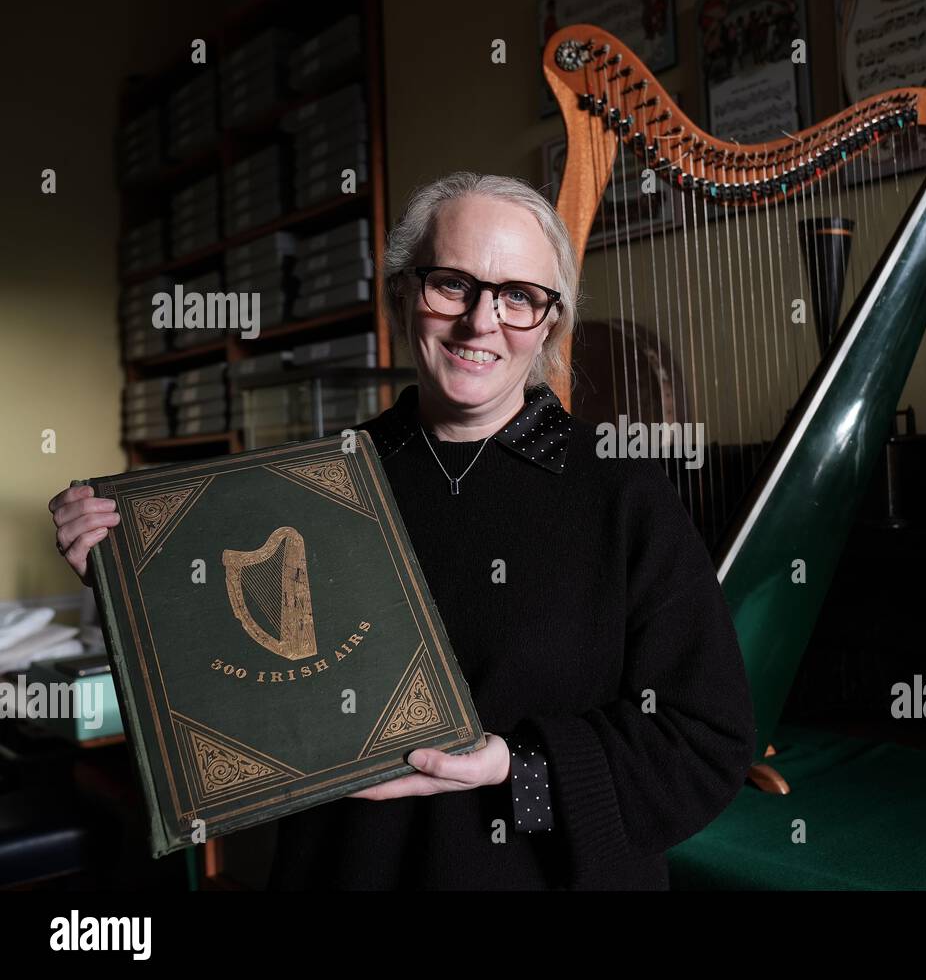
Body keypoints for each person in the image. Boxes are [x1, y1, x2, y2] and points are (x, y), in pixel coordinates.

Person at [48, 171, 756, 890]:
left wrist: (517, 766)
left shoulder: (623, 492)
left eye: (518, 296)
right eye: (452, 284)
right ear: (401, 296)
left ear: (549, 322)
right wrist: (133, 577)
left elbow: (705, 743)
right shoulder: (316, 484)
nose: (482, 323)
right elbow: (243, 688)